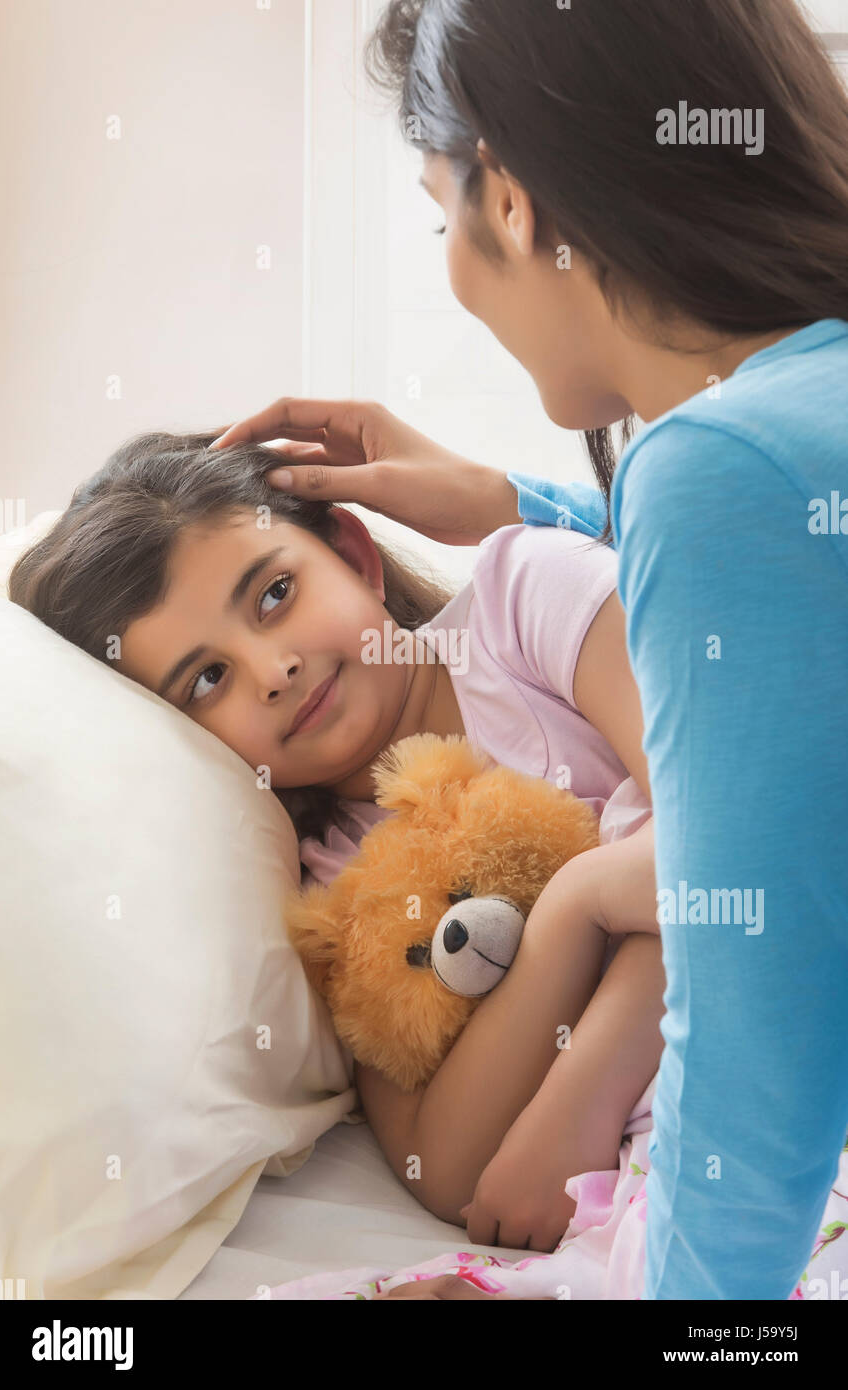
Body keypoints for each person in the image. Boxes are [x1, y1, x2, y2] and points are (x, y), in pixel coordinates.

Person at [208, 0, 848, 1300]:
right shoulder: (767, 435)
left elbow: (759, 1079)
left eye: (441, 208)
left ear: (508, 201)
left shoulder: (709, 475)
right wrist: (519, 501)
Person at [8, 427, 665, 1252]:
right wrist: (581, 918)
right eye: (208, 680)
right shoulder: (334, 886)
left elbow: (745, 839)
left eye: (274, 595)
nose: (272, 669)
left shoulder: (527, 597)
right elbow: (447, 1170)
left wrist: (582, 1082)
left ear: (353, 554)